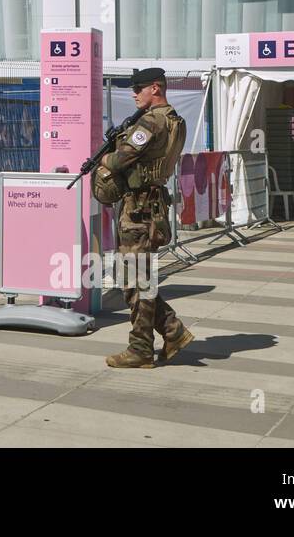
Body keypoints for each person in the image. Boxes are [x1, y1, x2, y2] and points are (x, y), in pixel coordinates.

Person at [92, 68, 192, 368]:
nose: (134, 94)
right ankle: (173, 332)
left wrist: (104, 158)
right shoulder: (175, 121)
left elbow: (122, 157)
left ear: (155, 88)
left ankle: (141, 349)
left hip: (138, 209)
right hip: (153, 206)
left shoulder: (151, 121)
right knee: (136, 277)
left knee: (134, 278)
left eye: (139, 88)